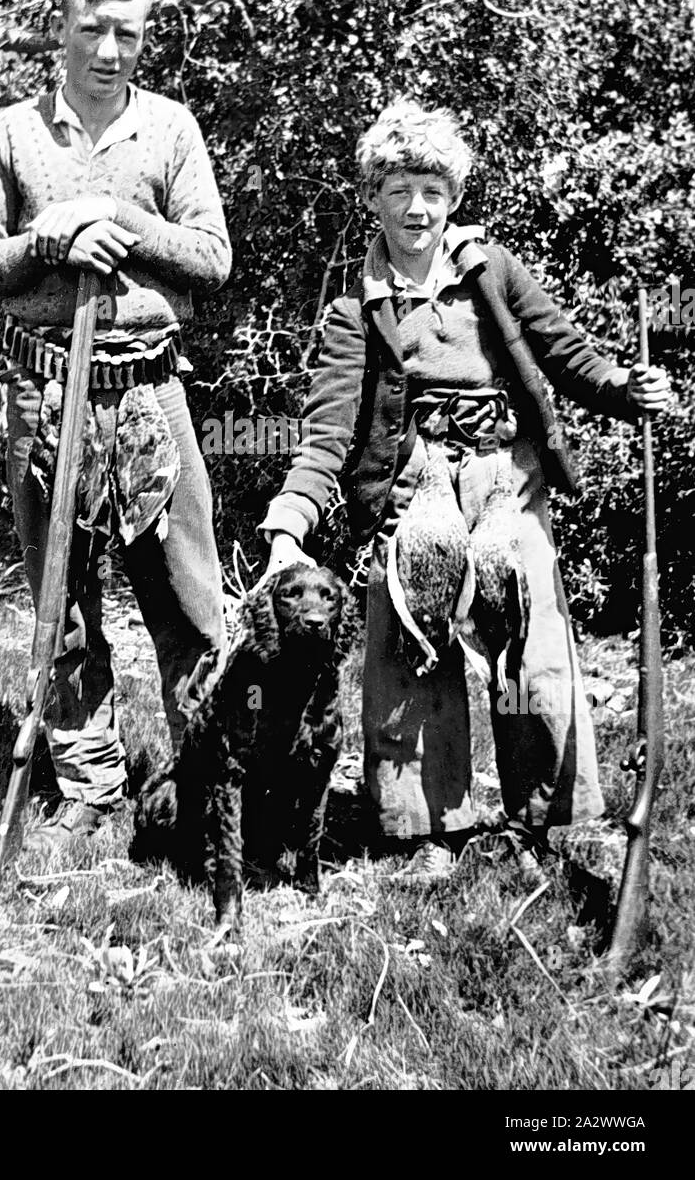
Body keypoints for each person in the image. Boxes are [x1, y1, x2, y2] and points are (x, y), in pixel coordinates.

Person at [260, 99, 672, 885]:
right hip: (414, 480)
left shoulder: (492, 270)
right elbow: (327, 429)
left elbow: (564, 351)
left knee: (535, 635)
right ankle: (422, 830)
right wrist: (291, 520)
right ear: (372, 196)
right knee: (412, 639)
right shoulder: (356, 309)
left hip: (501, 475)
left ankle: (551, 818)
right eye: (397, 189)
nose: (416, 207)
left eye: (432, 190)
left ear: (452, 197)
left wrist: (626, 387)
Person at [0, 0, 231, 854]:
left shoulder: (171, 130)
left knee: (190, 602)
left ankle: (207, 781)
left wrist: (126, 225)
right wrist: (45, 241)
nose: (111, 51)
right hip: (46, 393)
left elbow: (213, 260)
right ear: (61, 29)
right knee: (61, 604)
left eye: (130, 33)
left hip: (150, 392)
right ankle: (91, 784)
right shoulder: (14, 134)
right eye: (93, 31)